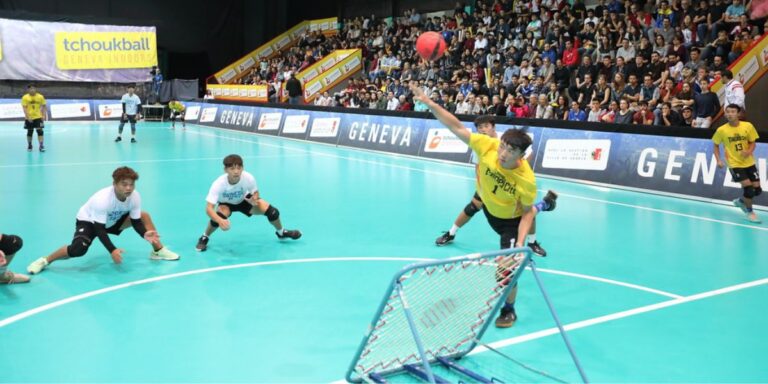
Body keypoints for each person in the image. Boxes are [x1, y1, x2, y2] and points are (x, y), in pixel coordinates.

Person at [410, 82, 542, 328]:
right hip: (488, 205)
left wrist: (521, 244)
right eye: (503, 146)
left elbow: (526, 213)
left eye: (511, 151)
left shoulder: (527, 181)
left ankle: (509, 309)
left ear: (521, 156)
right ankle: (451, 232)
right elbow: (455, 126)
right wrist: (430, 104)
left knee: (505, 271)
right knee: (472, 207)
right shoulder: (488, 145)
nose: (503, 153)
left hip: (508, 223)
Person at [435, 115, 558, 256]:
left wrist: (514, 171)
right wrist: (482, 188)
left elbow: (528, 154)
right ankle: (451, 233)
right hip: (489, 185)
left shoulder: (507, 140)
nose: (482, 129)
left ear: (493, 127)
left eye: (486, 126)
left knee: (527, 211)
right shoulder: (482, 143)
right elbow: (478, 168)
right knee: (472, 207)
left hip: (509, 189)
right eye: (479, 127)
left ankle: (532, 241)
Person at [27, 167, 180, 275]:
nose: (128, 188)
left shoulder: (135, 196)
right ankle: (45, 260)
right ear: (115, 184)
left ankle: (158, 251)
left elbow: (136, 221)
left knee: (143, 215)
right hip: (90, 222)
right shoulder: (103, 199)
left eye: (131, 184)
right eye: (124, 184)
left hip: (112, 220)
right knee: (78, 249)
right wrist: (112, 250)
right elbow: (99, 229)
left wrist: (144, 234)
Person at [196, 154, 302, 252]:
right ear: (225, 170)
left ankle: (281, 232)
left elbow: (255, 192)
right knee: (218, 216)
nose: (236, 171)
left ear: (242, 168)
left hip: (244, 200)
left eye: (239, 168)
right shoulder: (218, 184)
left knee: (273, 212)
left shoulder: (248, 178)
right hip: (226, 204)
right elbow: (209, 208)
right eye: (232, 168)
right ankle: (205, 236)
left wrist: (254, 198)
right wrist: (220, 221)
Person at [713, 104, 762, 223]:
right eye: (727, 112)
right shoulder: (721, 130)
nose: (730, 114)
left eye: (733, 112)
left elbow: (752, 142)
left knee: (757, 190)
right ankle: (750, 211)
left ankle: (741, 201)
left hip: (749, 162)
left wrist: (749, 151)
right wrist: (718, 160)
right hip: (735, 164)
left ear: (738, 114)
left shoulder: (748, 126)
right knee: (749, 190)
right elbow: (716, 145)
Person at [21, 84, 47, 152]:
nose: (32, 90)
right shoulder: (25, 97)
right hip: (29, 118)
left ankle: (41, 145)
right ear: (28, 90)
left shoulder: (40, 96)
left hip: (38, 117)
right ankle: (30, 145)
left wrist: (43, 115)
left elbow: (44, 106)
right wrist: (28, 117)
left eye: (33, 88)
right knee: (30, 132)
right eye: (30, 89)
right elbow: (24, 108)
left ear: (36, 89)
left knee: (40, 131)